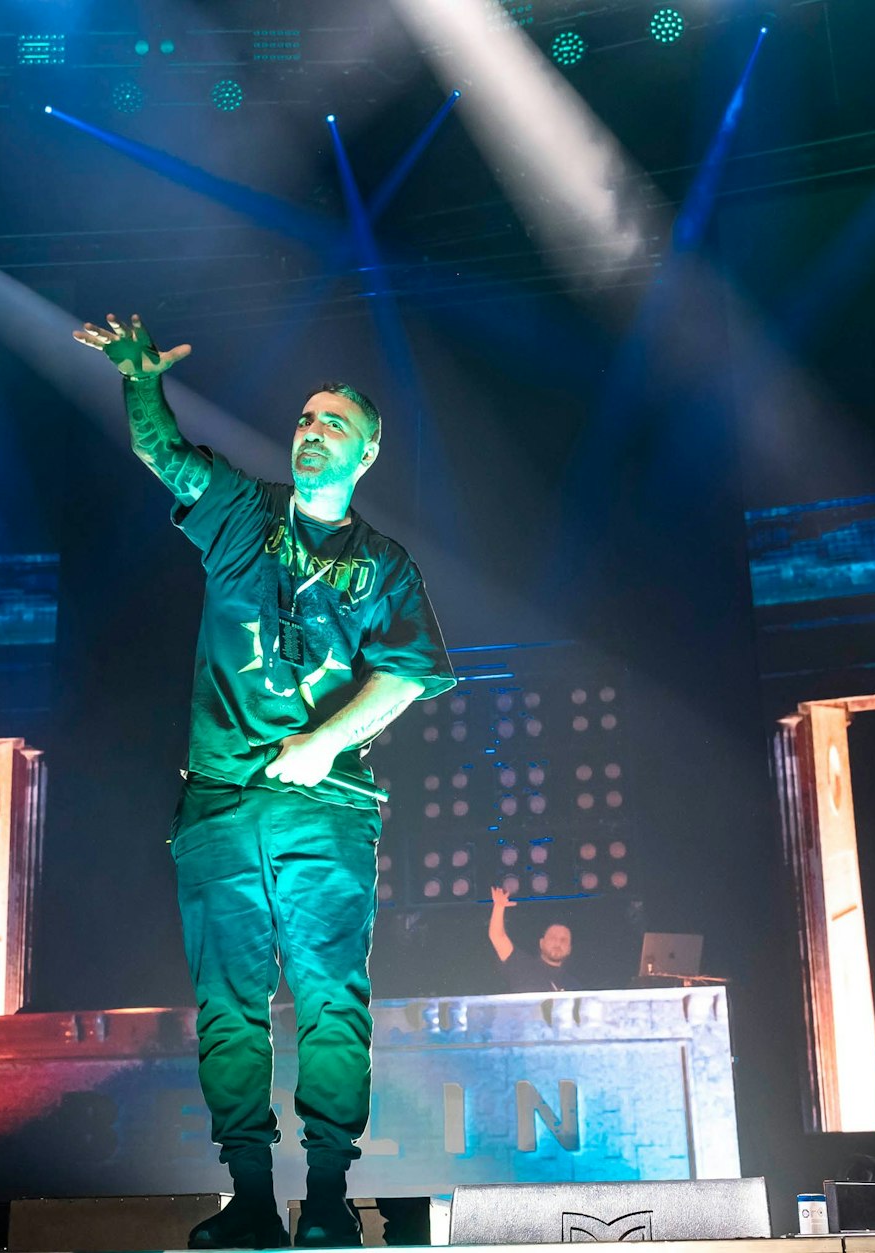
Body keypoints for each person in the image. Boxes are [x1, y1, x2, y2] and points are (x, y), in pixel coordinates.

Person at [72, 313, 456, 1249]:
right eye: (306, 417)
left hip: (327, 810)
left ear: (366, 453)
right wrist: (139, 381)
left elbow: (408, 674)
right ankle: (249, 1193)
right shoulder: (244, 516)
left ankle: (326, 1195)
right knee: (228, 1009)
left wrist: (324, 742)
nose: (311, 430)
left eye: (334, 423)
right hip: (218, 805)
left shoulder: (383, 566)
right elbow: (163, 454)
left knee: (331, 998)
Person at [488, 886, 573, 993]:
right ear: (541, 943)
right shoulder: (523, 966)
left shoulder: (573, 984)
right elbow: (498, 937)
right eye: (553, 937)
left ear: (569, 949)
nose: (558, 942)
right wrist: (499, 907)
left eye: (564, 940)